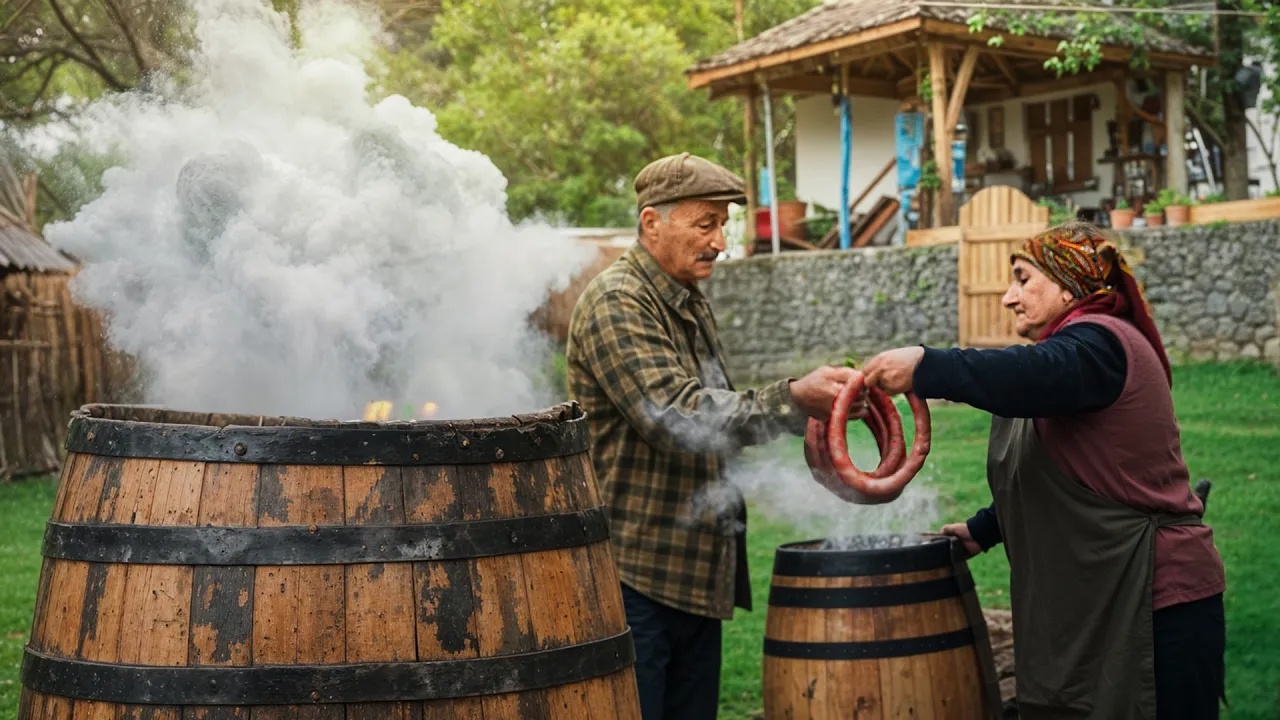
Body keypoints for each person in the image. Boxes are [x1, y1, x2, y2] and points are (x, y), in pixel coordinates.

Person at [861, 221, 1226, 720]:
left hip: (1156, 605)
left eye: (1023, 279)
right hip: (1104, 596)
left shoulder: (1101, 346)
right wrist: (984, 529)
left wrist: (928, 366)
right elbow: (1074, 472)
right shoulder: (1075, 355)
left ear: (1069, 284)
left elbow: (1029, 376)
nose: (1008, 297)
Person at [565, 152, 856, 720]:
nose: (720, 242)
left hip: (693, 573)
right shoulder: (618, 301)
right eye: (706, 224)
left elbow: (719, 412)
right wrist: (793, 398)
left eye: (723, 224)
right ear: (652, 222)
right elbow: (677, 417)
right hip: (637, 577)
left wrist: (804, 410)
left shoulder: (684, 297)